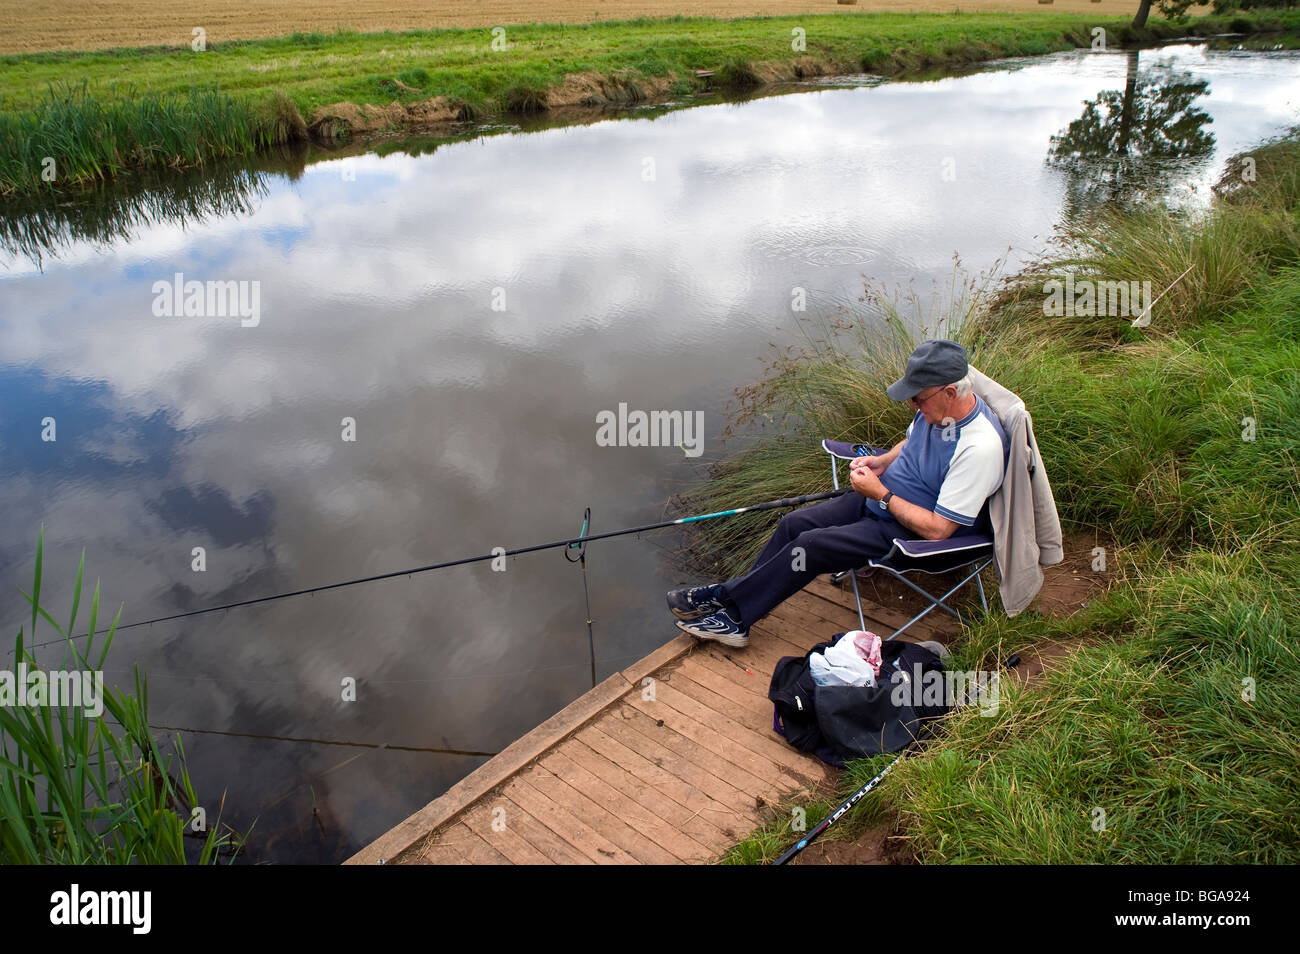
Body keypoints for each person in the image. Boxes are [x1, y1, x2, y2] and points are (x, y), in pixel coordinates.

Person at [668, 339, 1008, 648]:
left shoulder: (979, 449)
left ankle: (734, 612)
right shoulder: (936, 413)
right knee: (793, 525)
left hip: (909, 532)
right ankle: (735, 601)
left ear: (950, 392)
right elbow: (910, 442)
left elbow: (939, 529)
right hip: (879, 497)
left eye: (918, 399)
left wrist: (882, 495)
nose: (913, 406)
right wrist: (882, 461)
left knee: (810, 546)